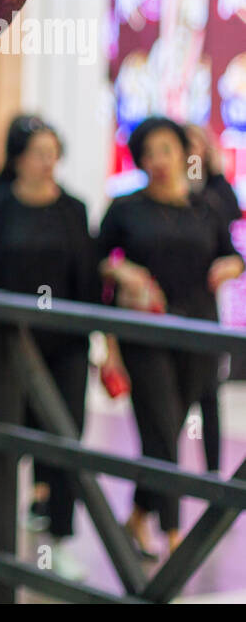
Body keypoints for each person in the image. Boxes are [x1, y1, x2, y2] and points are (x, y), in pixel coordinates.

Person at [98, 116, 244, 558]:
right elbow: (97, 258)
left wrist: (229, 268)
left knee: (168, 431)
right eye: (148, 153)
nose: (159, 160)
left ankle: (138, 517)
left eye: (167, 149)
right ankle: (175, 535)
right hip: (147, 333)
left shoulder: (207, 208)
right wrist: (122, 270)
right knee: (161, 425)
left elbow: (232, 255)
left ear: (184, 152)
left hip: (198, 331)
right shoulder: (125, 208)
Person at [0, 115, 98, 579]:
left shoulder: (74, 210)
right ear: (18, 158)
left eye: (52, 153)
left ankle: (60, 537)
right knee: (1, 433)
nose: (47, 163)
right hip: (7, 343)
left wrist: (88, 338)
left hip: (64, 348)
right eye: (37, 153)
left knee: (64, 441)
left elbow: (88, 279)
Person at [184, 123, 241, 474]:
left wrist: (230, 265)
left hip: (206, 304)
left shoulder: (216, 194)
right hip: (172, 306)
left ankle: (213, 473)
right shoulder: (164, 196)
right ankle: (157, 498)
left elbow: (231, 247)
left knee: (208, 391)